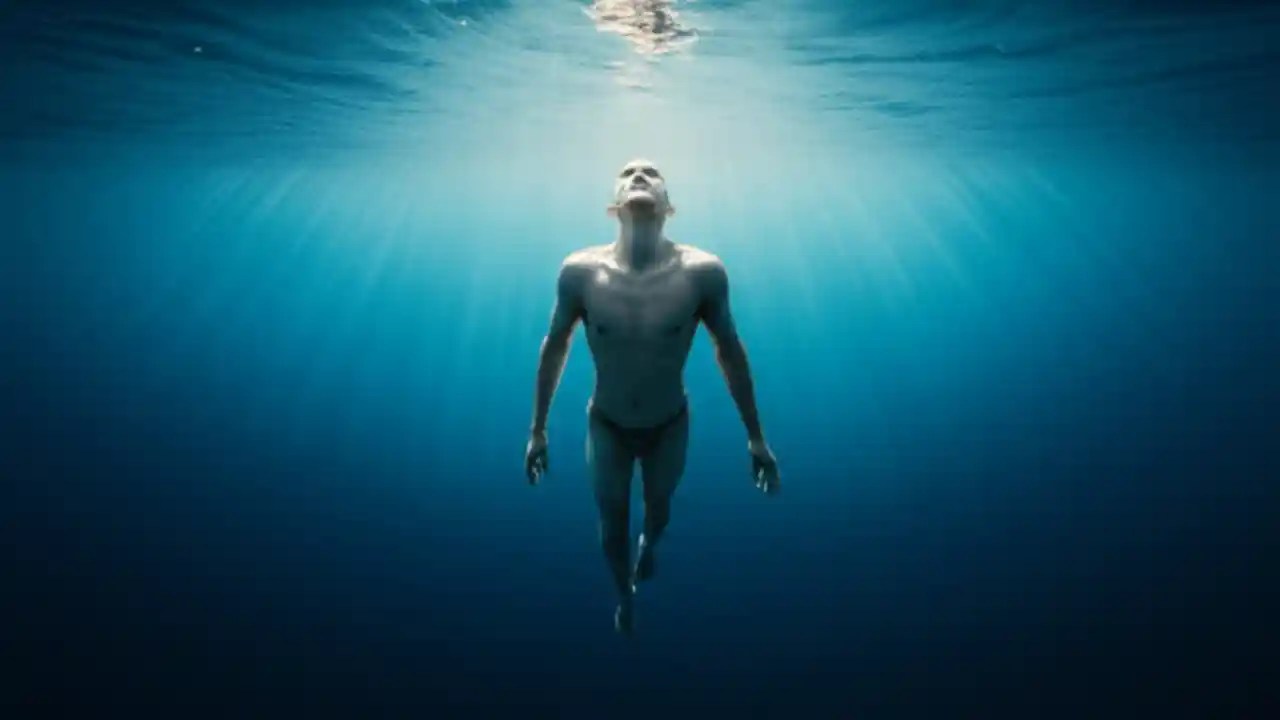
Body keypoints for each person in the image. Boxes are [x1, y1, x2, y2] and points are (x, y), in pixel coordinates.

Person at [524, 158, 780, 635]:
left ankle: (650, 547)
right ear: (613, 204)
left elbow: (729, 349)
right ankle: (625, 598)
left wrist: (756, 438)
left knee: (659, 511)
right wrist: (537, 431)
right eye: (627, 173)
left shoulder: (704, 273)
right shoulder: (579, 273)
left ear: (669, 205)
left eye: (651, 172)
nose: (639, 175)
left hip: (669, 425)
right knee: (611, 523)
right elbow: (555, 344)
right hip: (607, 424)